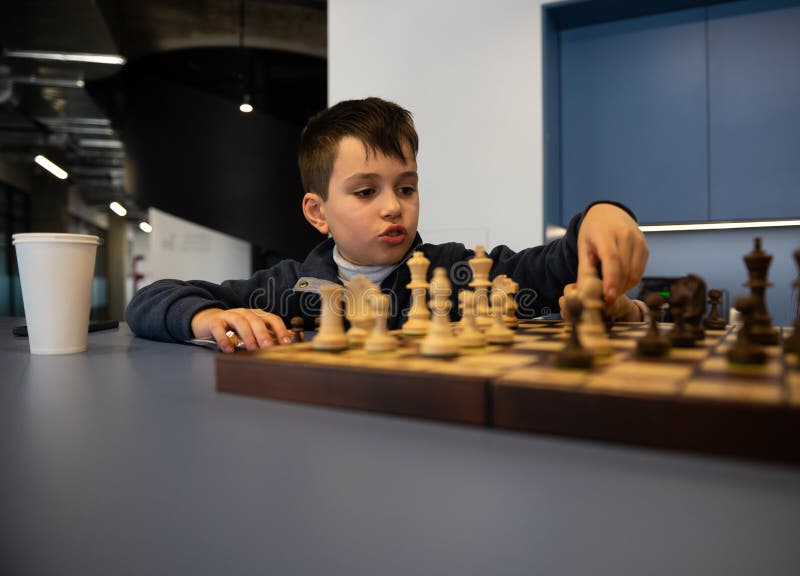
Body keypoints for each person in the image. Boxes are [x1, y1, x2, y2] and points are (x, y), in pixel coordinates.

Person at [126, 97, 649, 353]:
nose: (393, 207)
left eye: (405, 188)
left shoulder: (458, 274)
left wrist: (600, 216)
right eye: (365, 191)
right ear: (317, 212)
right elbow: (149, 301)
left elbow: (549, 269)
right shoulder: (285, 288)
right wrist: (206, 318)